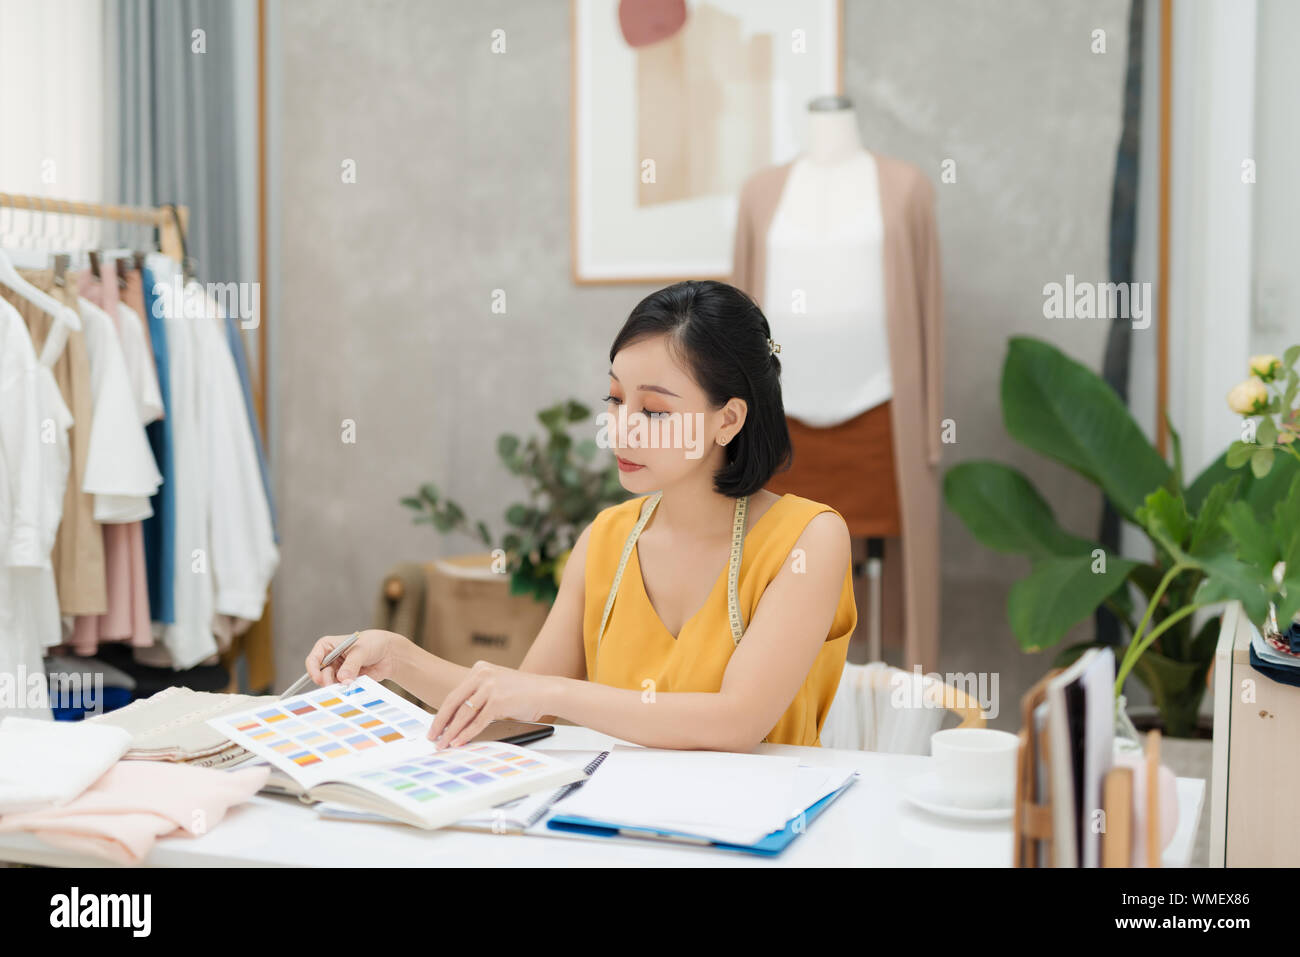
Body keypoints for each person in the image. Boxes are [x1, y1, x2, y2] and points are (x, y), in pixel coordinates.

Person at [306, 280, 857, 750]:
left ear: (729, 419)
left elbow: (739, 720)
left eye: (655, 410)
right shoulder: (607, 540)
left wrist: (550, 694)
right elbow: (514, 710)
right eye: (616, 400)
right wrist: (395, 657)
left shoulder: (809, 540)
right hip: (620, 829)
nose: (623, 427)